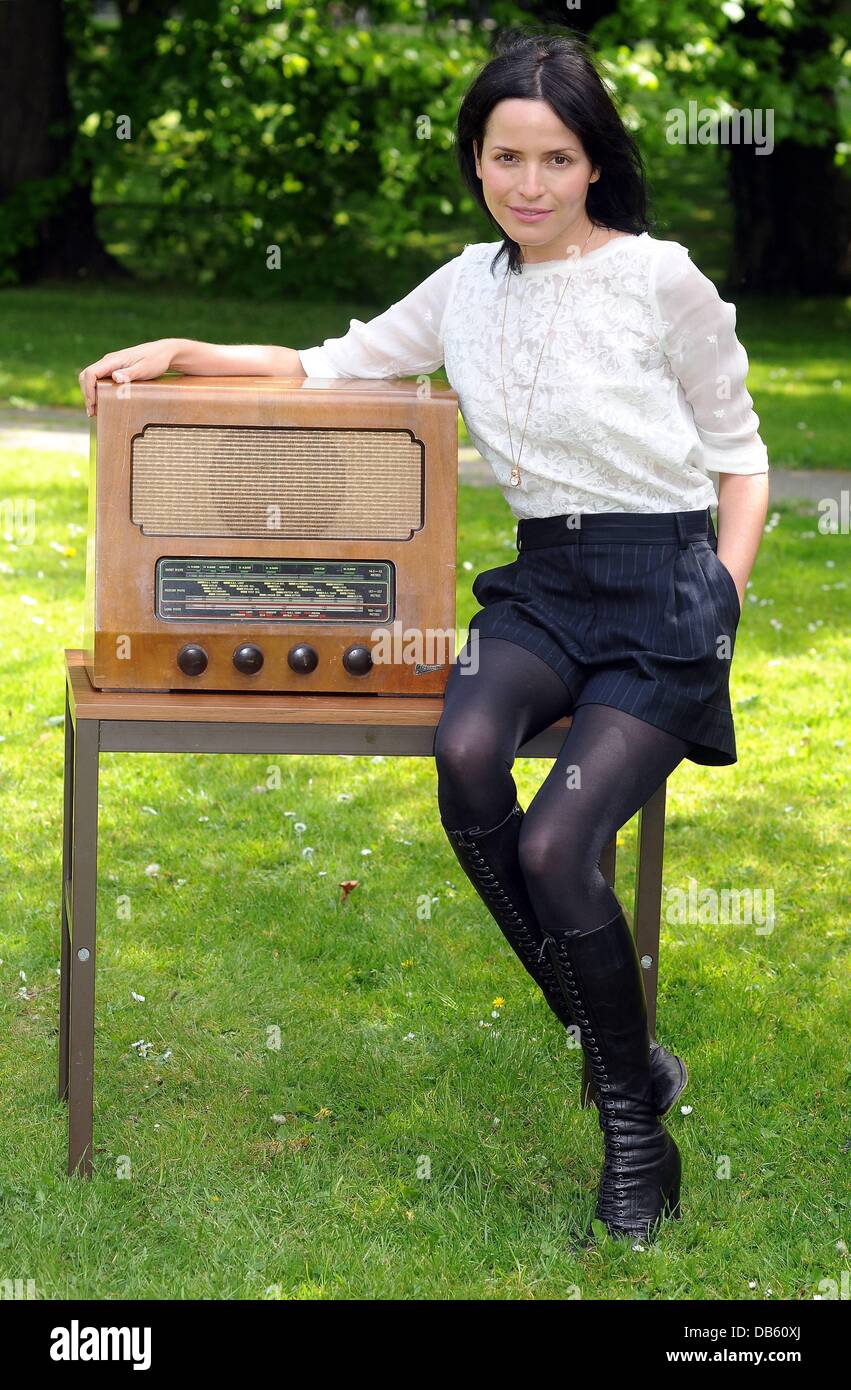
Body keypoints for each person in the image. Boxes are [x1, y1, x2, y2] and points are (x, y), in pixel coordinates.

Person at [78, 29, 770, 1246]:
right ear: (474, 162)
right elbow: (324, 366)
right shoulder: (464, 288)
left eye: (555, 159)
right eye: (505, 157)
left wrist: (721, 592)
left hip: (663, 587)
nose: (528, 185)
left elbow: (742, 457)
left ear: (592, 165)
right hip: (544, 587)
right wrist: (184, 351)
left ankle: (629, 1134)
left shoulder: (662, 279)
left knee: (558, 844)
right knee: (460, 759)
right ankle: (630, 1060)